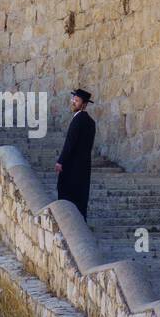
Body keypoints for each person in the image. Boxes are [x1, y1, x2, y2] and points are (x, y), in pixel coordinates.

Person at [55, 88, 96, 220]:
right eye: (74, 99)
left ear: (83, 104)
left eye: (77, 100)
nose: (73, 102)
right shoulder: (91, 122)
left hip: (72, 165)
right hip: (84, 165)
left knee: (65, 192)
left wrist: (61, 161)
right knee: (81, 196)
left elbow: (70, 143)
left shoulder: (78, 120)